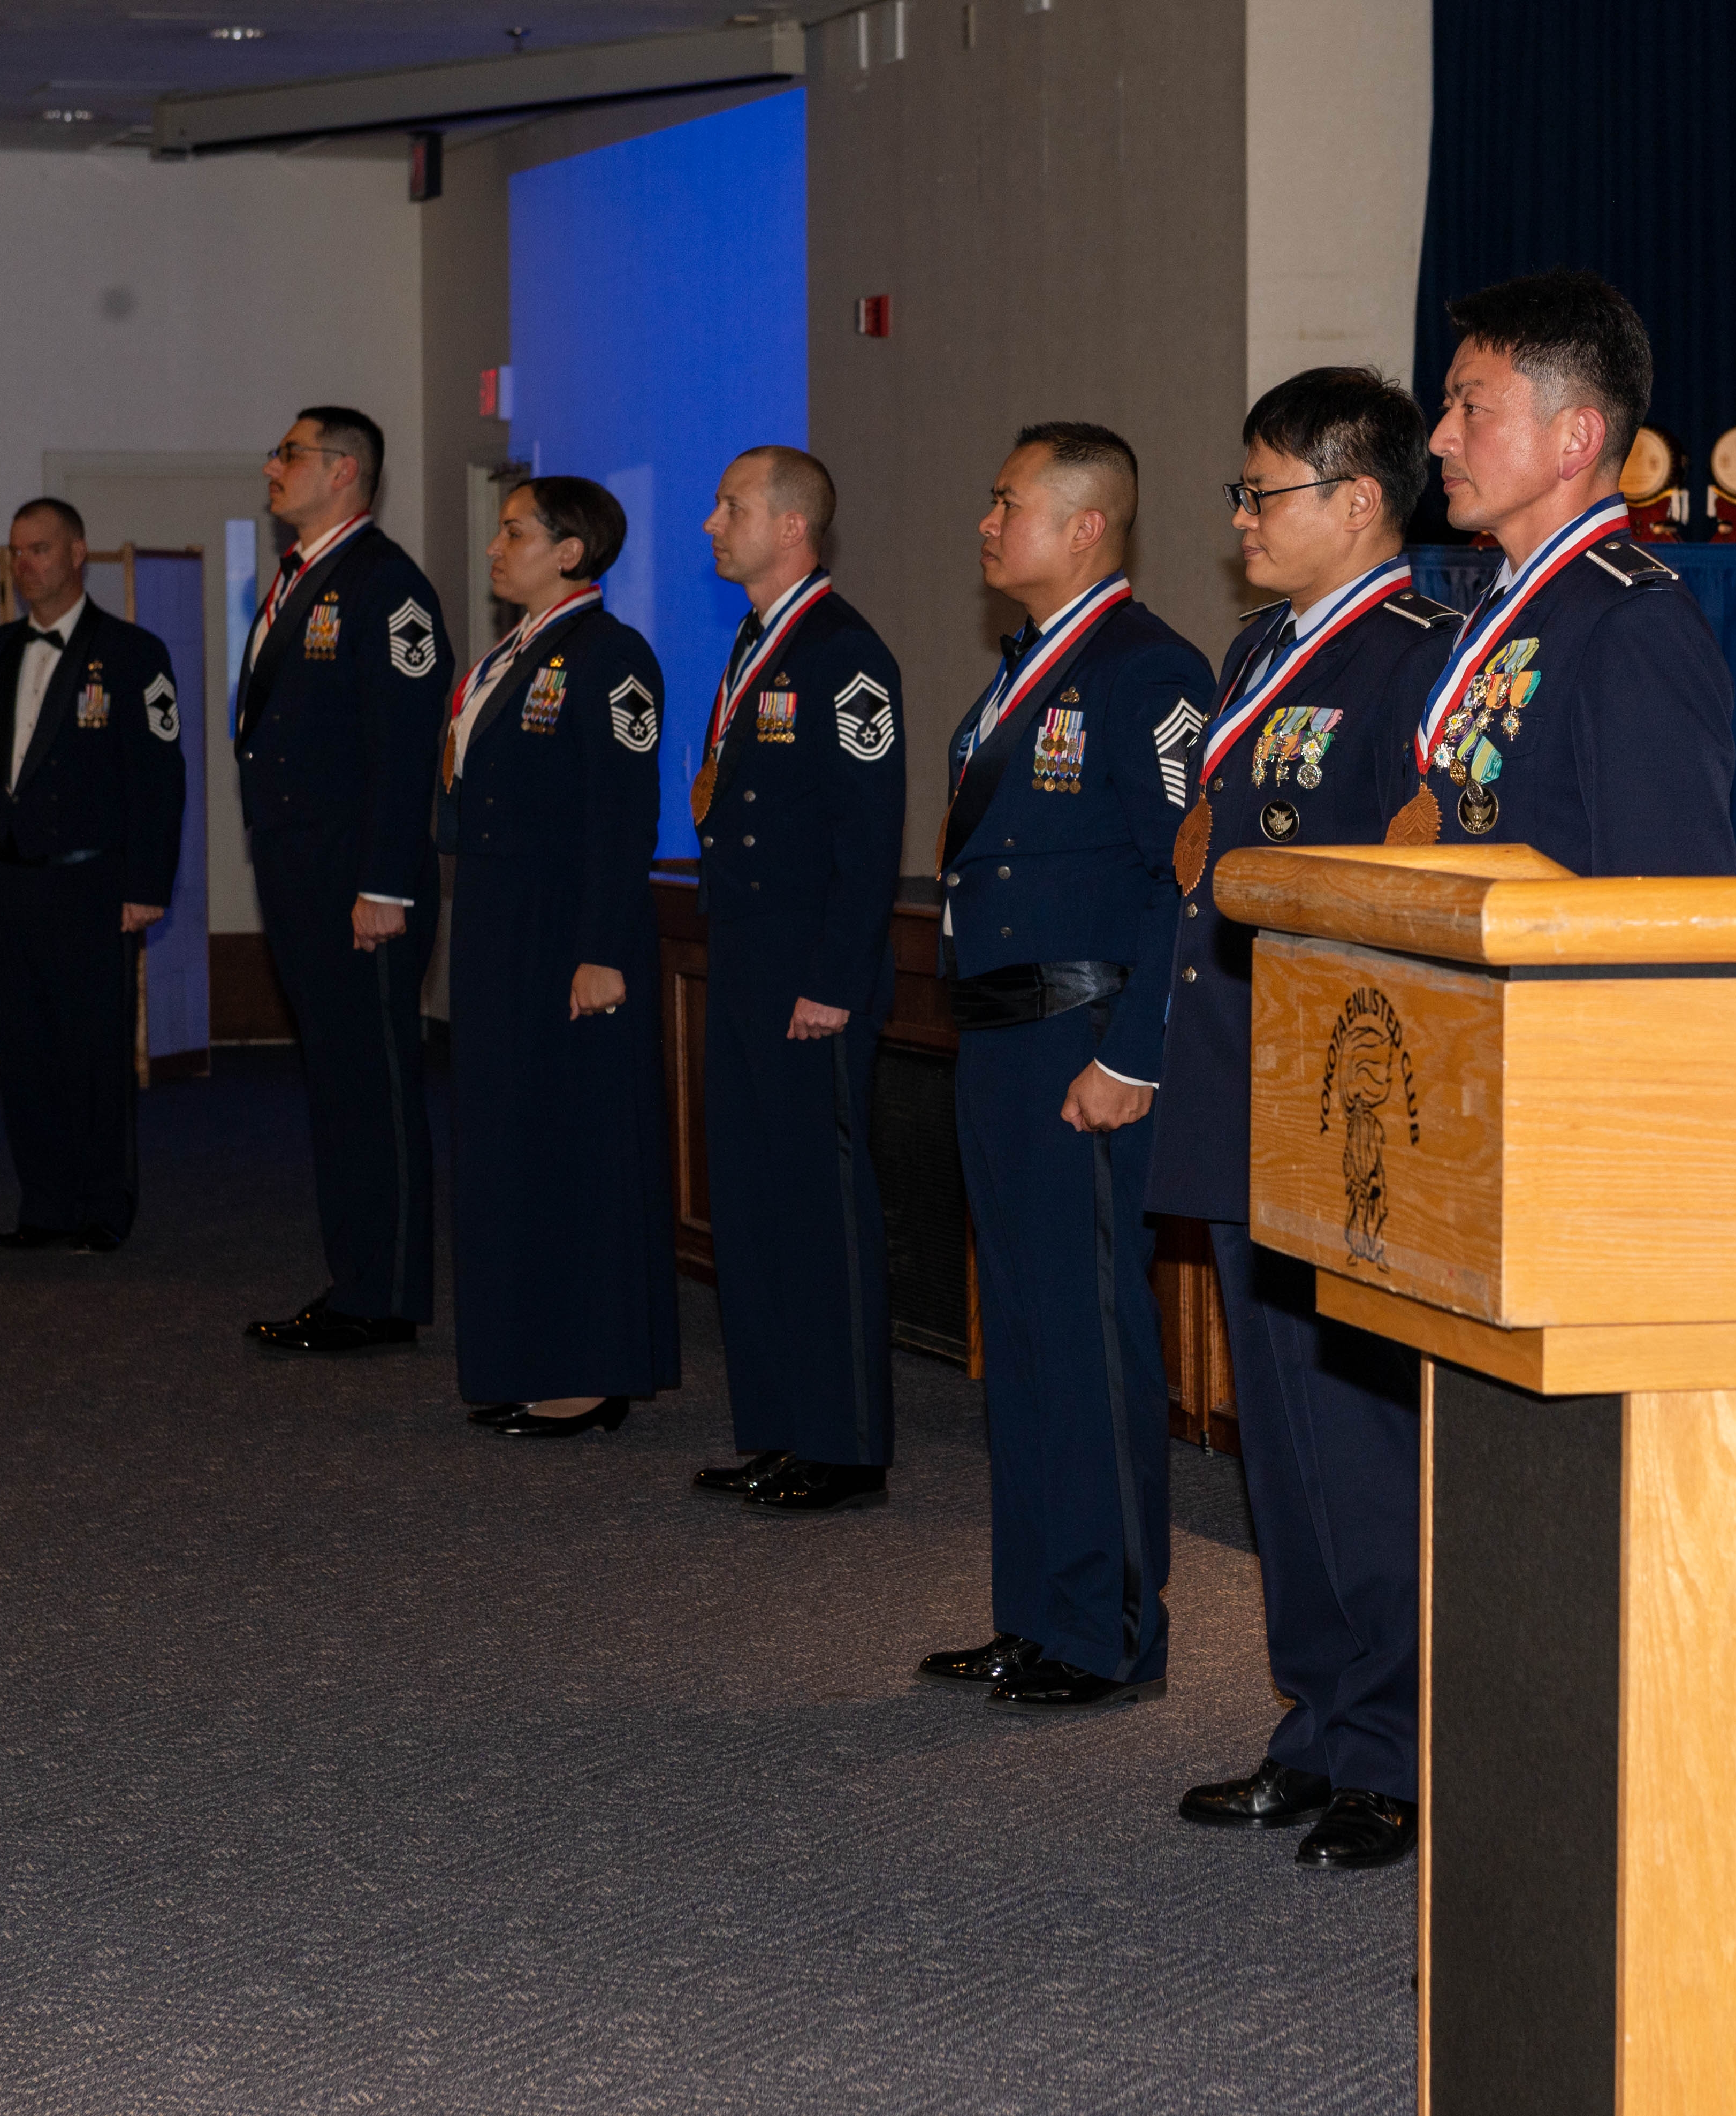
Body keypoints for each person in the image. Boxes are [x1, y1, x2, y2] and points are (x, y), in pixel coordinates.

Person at [1150, 369, 1457, 1871]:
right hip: (1234, 1080)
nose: (1237, 519)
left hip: (1336, 1108)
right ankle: (1318, 1722)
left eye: (1261, 492)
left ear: (1355, 500)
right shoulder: (1260, 643)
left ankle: (1396, 1752)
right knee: (1277, 1447)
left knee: (1350, 1442)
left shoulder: (1418, 657)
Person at [915, 422, 1211, 1714]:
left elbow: (1182, 879)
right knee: (1026, 1342)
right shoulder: (1022, 668)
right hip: (1002, 1042)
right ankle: (1036, 1610)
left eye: (1008, 501)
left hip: (1084, 1044)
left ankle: (1111, 1628)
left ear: (1087, 525)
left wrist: (1133, 1055)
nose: (986, 523)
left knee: (1090, 1342)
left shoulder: (1152, 671)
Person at [687, 445, 911, 1511]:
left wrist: (834, 978)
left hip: (809, 977)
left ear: (789, 527)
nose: (710, 524)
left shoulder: (841, 653)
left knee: (819, 1208)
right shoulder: (753, 643)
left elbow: (869, 838)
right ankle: (777, 1426)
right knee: (753, 1200)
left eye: (731, 507)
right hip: (742, 962)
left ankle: (846, 1440)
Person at [441, 476, 679, 1436]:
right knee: (510, 1143)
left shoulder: (610, 654)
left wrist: (599, 948)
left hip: (570, 928)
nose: (496, 547)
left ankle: (589, 1367)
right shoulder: (514, 650)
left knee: (578, 1147)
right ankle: (521, 1351)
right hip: (499, 923)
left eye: (515, 532)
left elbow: (623, 813)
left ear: (571, 550)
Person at [232, 406, 448, 1356]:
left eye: (290, 453)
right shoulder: (298, 578)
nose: (272, 466)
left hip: (361, 887)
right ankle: (355, 1276)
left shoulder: (384, 585)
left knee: (379, 1086)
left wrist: (386, 885)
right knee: (338, 1084)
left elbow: (405, 750)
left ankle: (388, 1291)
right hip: (303, 875)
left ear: (345, 471)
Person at [1416, 269, 1736, 874]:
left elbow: (1664, 905)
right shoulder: (1511, 605)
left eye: (1472, 408)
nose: (1440, 439)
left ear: (1577, 439)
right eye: (1447, 406)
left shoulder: (1634, 624)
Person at [0, 496, 185, 1253]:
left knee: (94, 1052)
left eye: (42, 549)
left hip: (96, 885)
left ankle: (101, 1206)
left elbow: (159, 777)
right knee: (26, 1053)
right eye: (17, 551)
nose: (27, 565)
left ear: (79, 552)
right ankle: (45, 1206)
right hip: (18, 883)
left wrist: (147, 885)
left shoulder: (133, 653)